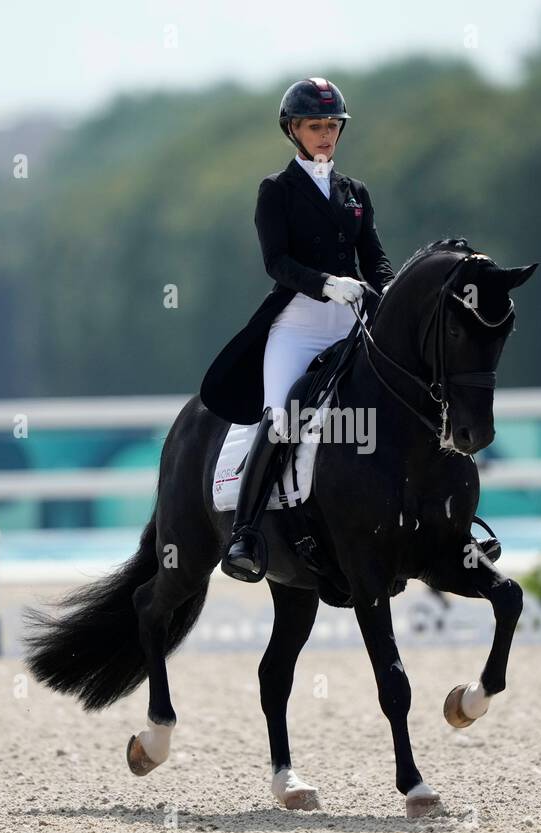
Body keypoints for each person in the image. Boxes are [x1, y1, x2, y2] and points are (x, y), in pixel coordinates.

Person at [199, 77, 396, 582]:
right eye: (316, 126)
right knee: (282, 419)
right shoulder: (277, 191)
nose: (326, 134)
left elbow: (374, 259)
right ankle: (244, 533)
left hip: (349, 325)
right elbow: (276, 263)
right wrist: (326, 283)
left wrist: (389, 293)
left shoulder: (355, 193)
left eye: (333, 126)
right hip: (298, 326)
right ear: (294, 129)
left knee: (389, 408)